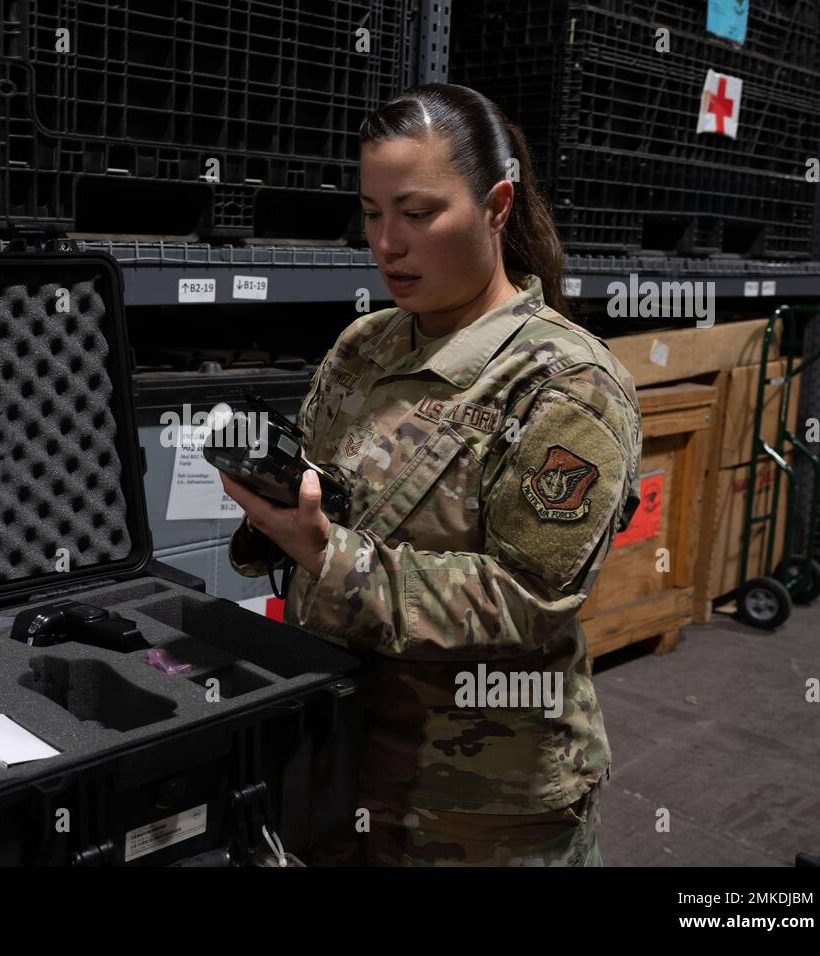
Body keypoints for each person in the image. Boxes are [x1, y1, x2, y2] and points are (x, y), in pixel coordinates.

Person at [220, 83, 643, 866]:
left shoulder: (565, 386)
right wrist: (277, 512)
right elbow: (331, 497)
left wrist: (327, 555)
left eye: (417, 214)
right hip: (339, 751)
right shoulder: (365, 346)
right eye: (372, 213)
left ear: (497, 206)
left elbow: (529, 599)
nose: (387, 243)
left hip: (483, 807)